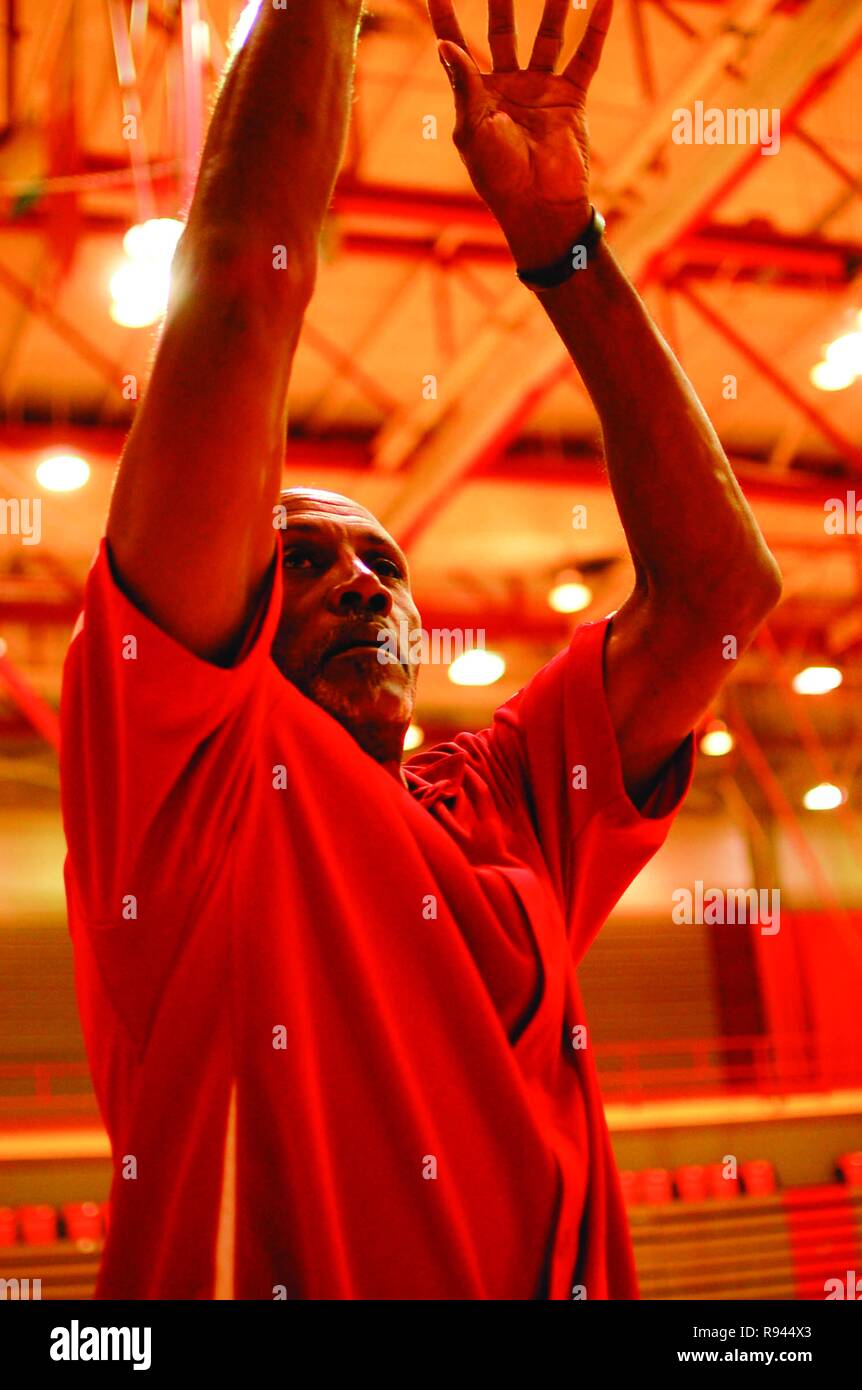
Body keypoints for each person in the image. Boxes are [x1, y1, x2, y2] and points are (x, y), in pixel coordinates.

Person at [59, 0, 781, 1299]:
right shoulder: (192, 768)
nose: (359, 583)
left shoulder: (498, 801)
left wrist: (566, 247)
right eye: (305, 559)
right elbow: (235, 282)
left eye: (385, 566)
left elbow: (719, 589)